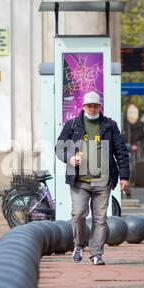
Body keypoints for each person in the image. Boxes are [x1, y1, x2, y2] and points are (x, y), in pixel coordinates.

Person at [56, 91, 130, 265]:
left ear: (100, 107)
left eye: (95, 106)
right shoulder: (72, 125)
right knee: (78, 215)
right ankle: (79, 245)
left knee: (100, 219)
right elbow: (59, 148)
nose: (92, 109)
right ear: (83, 107)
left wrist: (124, 177)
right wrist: (70, 158)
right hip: (79, 181)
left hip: (103, 181)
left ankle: (96, 253)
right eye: (89, 106)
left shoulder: (109, 125)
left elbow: (121, 152)